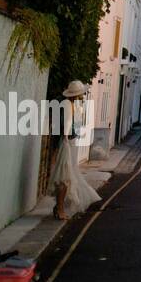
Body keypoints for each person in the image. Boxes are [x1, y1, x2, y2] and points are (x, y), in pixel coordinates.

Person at [48, 80, 101, 220]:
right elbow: (66, 125)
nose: (82, 96)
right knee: (65, 178)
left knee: (68, 178)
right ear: (75, 95)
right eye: (81, 94)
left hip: (70, 143)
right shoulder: (67, 105)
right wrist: (65, 141)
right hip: (67, 144)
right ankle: (59, 209)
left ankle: (59, 207)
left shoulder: (72, 105)